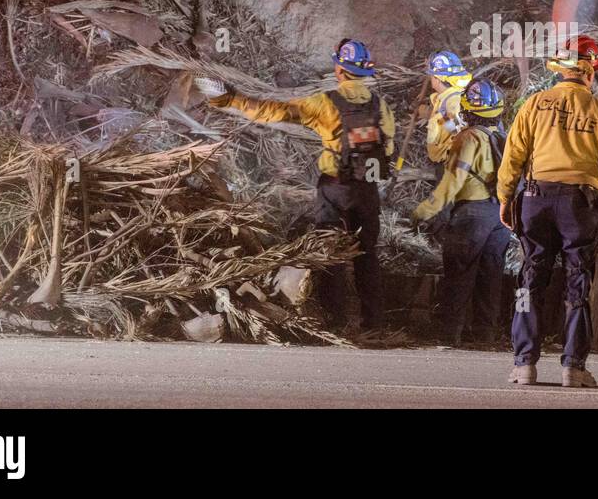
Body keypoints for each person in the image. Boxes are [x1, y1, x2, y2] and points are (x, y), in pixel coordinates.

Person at [210, 38, 395, 331]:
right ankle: (374, 323)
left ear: (339, 70)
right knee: (367, 256)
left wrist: (232, 100)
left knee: (330, 255)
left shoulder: (327, 103)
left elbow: (278, 111)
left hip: (335, 188)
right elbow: (389, 149)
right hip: (368, 190)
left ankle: (337, 322)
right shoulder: (379, 105)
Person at [496, 35, 598, 387]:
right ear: (590, 72)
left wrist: (505, 199)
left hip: (535, 201)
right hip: (580, 205)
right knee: (578, 283)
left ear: (559, 70)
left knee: (530, 281)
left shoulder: (535, 104)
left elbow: (512, 158)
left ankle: (524, 364)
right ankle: (573, 367)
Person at [411, 79, 511, 345]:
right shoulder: (501, 134)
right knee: (491, 276)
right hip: (499, 216)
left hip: (472, 215)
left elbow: (451, 182)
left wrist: (423, 211)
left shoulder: (468, 138)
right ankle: (484, 335)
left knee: (458, 275)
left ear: (467, 108)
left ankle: (449, 334)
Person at [423, 50, 473, 166]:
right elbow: (449, 123)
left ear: (437, 78)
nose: (430, 78)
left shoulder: (452, 102)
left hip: (452, 165)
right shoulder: (446, 98)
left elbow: (459, 133)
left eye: (432, 75)